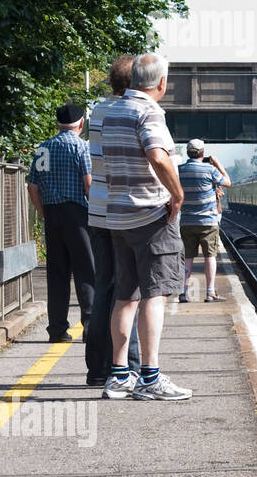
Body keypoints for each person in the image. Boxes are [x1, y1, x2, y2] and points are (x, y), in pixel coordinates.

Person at [101, 53, 191, 401]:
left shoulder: (112, 112)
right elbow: (157, 154)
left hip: (119, 216)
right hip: (150, 216)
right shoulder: (148, 111)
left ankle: (119, 375)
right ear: (161, 83)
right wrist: (177, 194)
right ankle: (150, 378)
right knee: (155, 296)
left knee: (125, 296)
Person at [85, 56, 142, 385]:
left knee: (104, 287)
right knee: (128, 291)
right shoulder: (132, 111)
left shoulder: (98, 112)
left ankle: (97, 368)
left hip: (98, 210)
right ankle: (129, 366)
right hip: (124, 211)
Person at [26, 103, 95, 343]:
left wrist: (44, 213)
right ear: (81, 123)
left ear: (58, 124)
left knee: (57, 274)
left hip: (52, 214)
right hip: (78, 215)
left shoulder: (42, 148)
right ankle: (90, 327)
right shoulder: (82, 147)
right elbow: (88, 184)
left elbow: (32, 187)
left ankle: (57, 330)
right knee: (86, 271)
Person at [177, 139, 232, 302]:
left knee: (187, 257)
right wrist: (218, 164)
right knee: (210, 256)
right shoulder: (210, 170)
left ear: (188, 152)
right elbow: (228, 182)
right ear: (202, 153)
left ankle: (183, 292)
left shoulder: (179, 170)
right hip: (208, 222)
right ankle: (209, 292)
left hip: (186, 221)